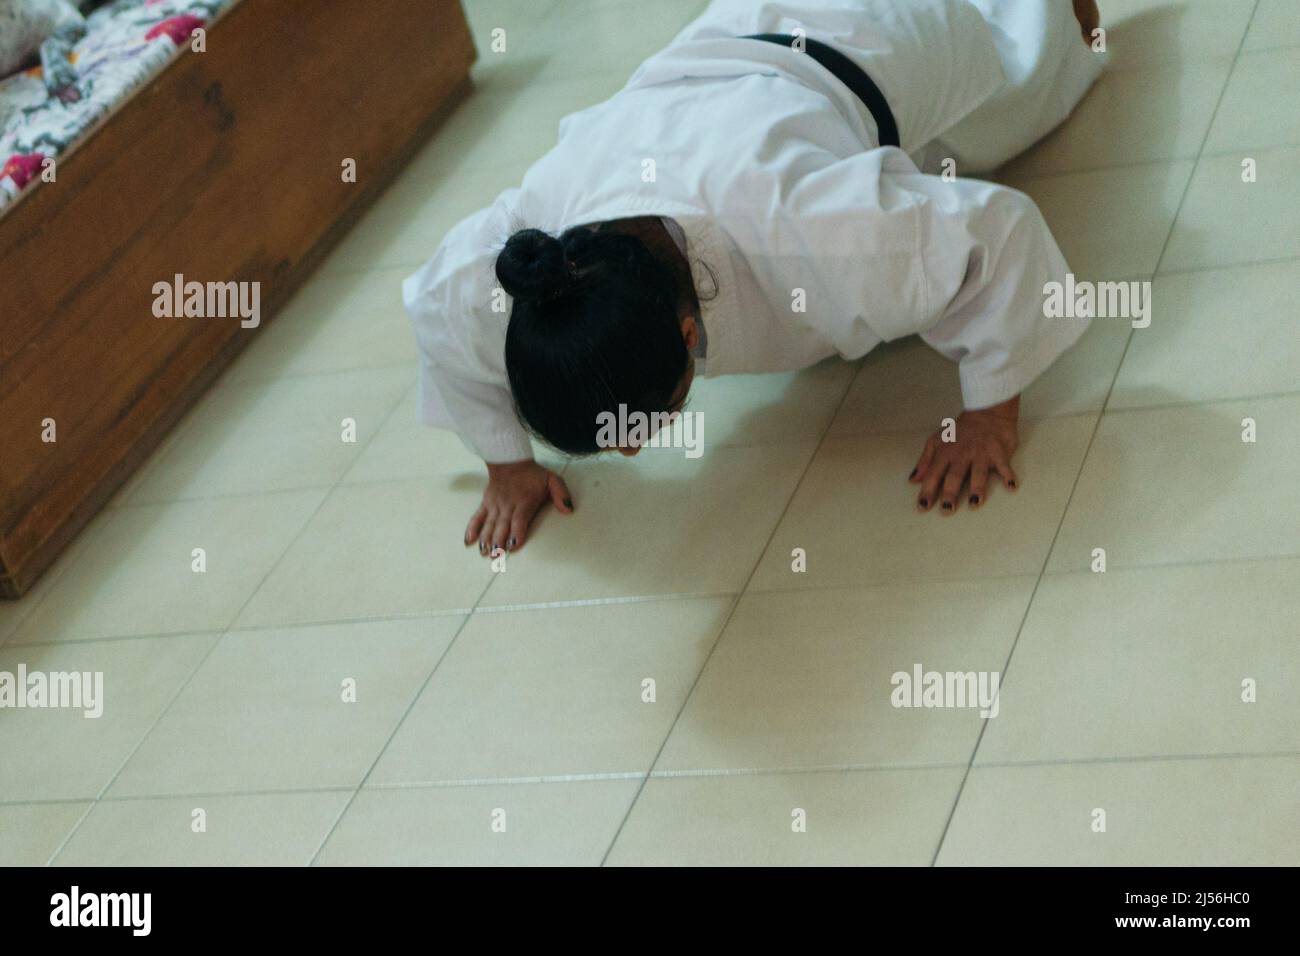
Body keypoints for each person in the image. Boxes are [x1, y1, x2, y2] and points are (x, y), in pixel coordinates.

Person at [403, 0, 1105, 557]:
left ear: (686, 331)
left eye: (635, 429)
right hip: (722, 46)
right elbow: (435, 309)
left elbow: (996, 231)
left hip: (865, 34)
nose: (627, 447)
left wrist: (987, 414)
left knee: (1022, 73)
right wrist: (506, 462)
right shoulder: (520, 262)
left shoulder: (818, 229)